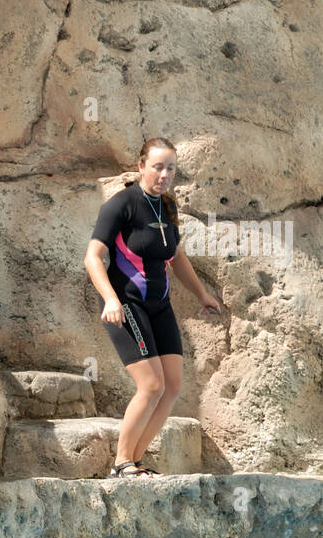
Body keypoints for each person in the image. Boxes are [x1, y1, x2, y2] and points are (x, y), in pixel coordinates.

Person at [84, 137, 222, 478]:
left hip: (159, 306)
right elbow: (93, 257)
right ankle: (120, 461)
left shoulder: (168, 207)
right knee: (151, 386)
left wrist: (201, 294)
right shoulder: (122, 205)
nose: (164, 174)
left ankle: (136, 460)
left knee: (172, 386)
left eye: (170, 168)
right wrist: (112, 299)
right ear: (141, 166)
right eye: (158, 166)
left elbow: (176, 257)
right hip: (126, 304)